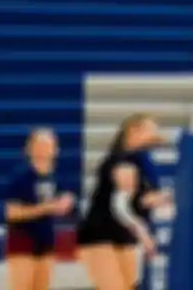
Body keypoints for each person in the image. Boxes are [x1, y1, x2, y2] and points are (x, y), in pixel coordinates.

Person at [76, 113, 170, 290]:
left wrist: (152, 200)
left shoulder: (141, 161)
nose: (155, 135)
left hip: (123, 238)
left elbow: (137, 201)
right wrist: (144, 234)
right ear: (134, 131)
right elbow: (121, 206)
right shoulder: (118, 161)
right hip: (101, 237)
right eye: (151, 130)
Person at [5, 128, 74, 290]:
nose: (44, 150)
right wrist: (45, 208)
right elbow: (11, 212)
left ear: (56, 149)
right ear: (29, 149)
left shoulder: (57, 177)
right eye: (40, 145)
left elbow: (66, 204)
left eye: (48, 145)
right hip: (21, 239)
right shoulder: (20, 177)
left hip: (46, 239)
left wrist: (67, 203)